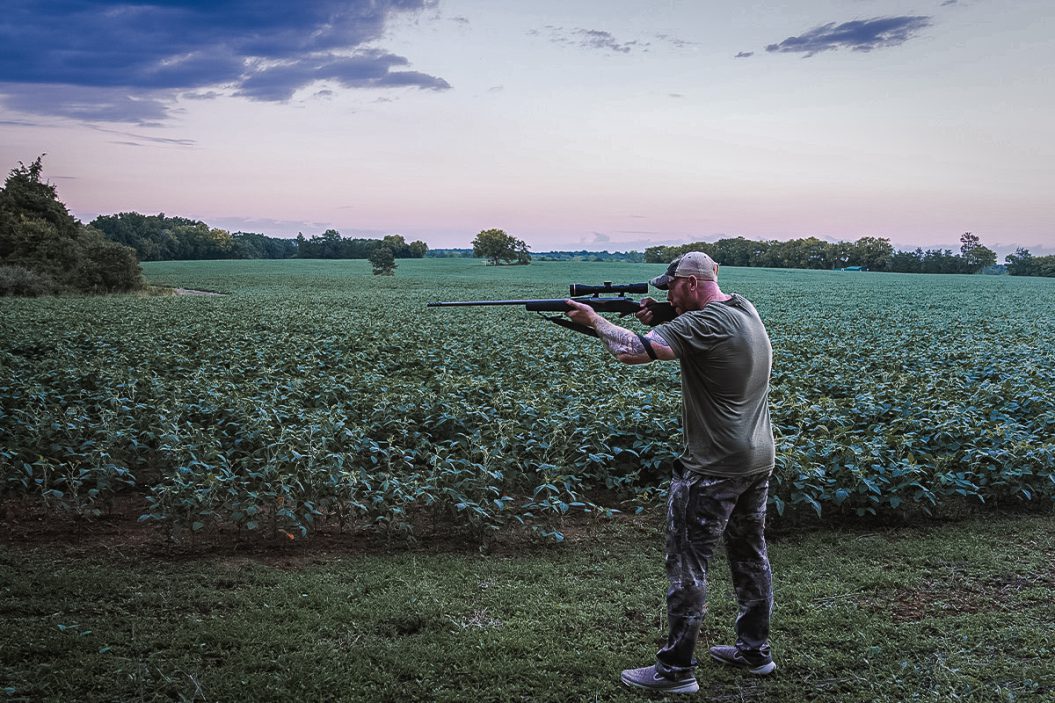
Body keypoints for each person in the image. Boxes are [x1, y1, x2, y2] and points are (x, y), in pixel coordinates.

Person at [564, 251, 777, 695]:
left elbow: (632, 351)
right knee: (749, 553)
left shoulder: (703, 324)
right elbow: (686, 323)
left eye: (672, 288)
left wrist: (595, 321)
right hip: (756, 459)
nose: (667, 294)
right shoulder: (742, 308)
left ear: (692, 284)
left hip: (713, 465)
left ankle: (676, 671)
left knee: (687, 563)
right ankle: (754, 652)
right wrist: (663, 313)